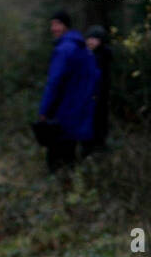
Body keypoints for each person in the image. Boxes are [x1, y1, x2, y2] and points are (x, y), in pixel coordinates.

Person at [36, 10, 99, 171]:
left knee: (56, 157)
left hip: (63, 111)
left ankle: (58, 189)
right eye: (52, 24)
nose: (53, 28)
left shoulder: (64, 49)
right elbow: (94, 76)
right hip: (79, 110)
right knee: (70, 155)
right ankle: (71, 189)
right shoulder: (83, 49)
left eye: (57, 24)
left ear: (65, 26)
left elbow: (54, 81)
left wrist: (44, 110)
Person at [83, 25, 111, 155]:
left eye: (94, 39)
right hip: (90, 100)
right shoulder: (88, 56)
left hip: (98, 100)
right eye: (89, 38)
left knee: (98, 130)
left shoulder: (102, 57)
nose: (90, 41)